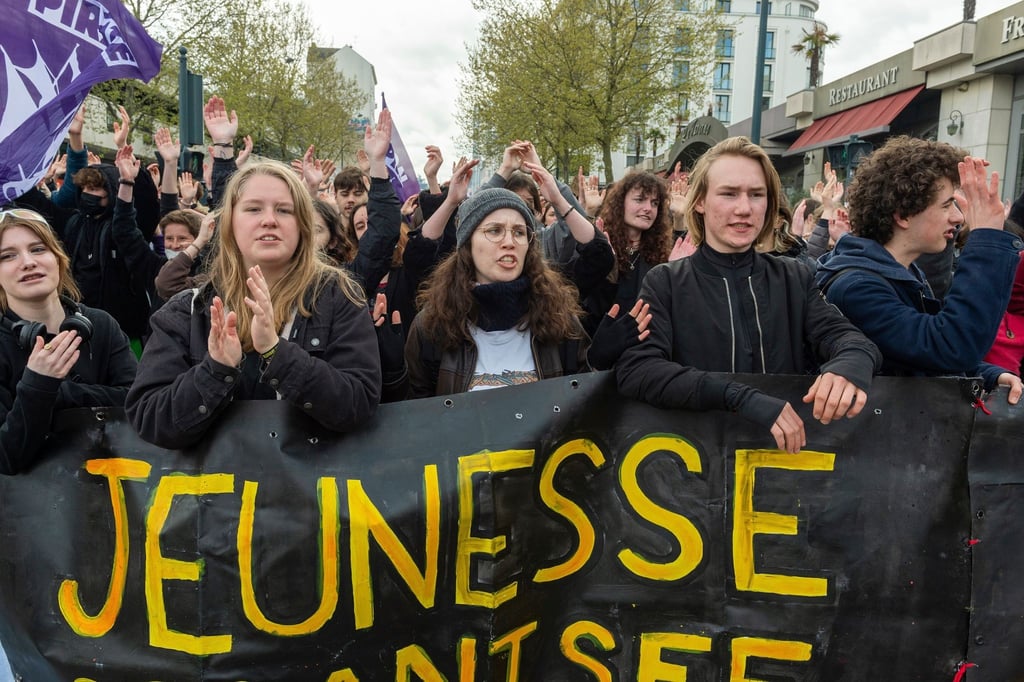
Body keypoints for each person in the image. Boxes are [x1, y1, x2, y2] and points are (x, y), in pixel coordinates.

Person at [617, 136, 882, 453]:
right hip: (695, 471)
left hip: (783, 466)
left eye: (756, 195)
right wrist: (737, 396)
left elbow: (851, 340)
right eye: (728, 194)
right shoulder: (666, 282)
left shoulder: (793, 277)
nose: (744, 209)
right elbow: (638, 369)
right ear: (699, 201)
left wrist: (847, 368)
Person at [125, 160, 381, 449]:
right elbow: (150, 419)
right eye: (253, 209)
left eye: (284, 210)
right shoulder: (188, 309)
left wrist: (277, 353)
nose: (269, 220)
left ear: (302, 225)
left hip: (311, 487)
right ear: (231, 223)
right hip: (217, 491)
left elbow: (358, 404)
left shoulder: (340, 297)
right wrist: (216, 370)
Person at [814, 136, 1023, 402]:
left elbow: (914, 354)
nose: (958, 218)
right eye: (947, 205)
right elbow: (948, 346)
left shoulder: (899, 271)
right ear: (903, 215)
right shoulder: (857, 287)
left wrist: (986, 373)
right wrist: (985, 240)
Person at [404, 186, 592, 397]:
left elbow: (584, 407)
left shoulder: (559, 319)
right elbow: (417, 414)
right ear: (467, 244)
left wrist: (600, 361)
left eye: (519, 232)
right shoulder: (432, 325)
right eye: (494, 231)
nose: (510, 242)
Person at [0, 209, 137, 474]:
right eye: (8, 256)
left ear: (58, 258)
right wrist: (38, 386)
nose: (27, 262)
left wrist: (62, 393)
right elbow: (6, 457)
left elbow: (136, 402)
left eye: (38, 249)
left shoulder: (101, 324)